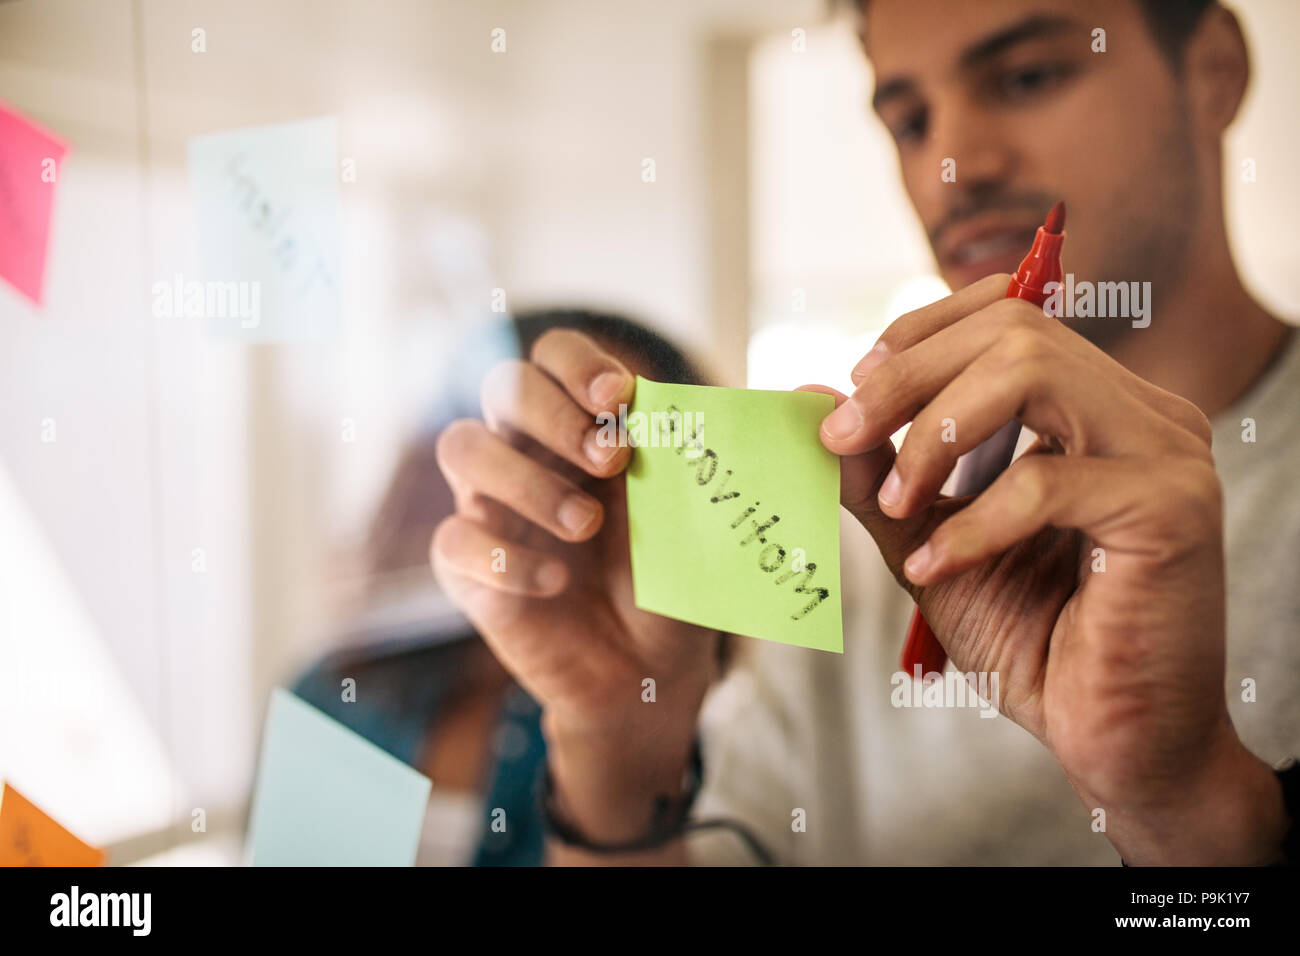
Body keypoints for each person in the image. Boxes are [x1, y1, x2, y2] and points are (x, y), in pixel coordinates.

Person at [430, 0, 1299, 865]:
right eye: (911, 120)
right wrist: (616, 752)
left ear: (1215, 68)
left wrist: (1190, 808)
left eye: (1029, 76)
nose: (951, 169)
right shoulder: (853, 536)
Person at [291, 308, 708, 865]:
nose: (584, 482)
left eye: (631, 456)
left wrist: (618, 750)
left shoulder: (719, 723)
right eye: (533, 447)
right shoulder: (333, 692)